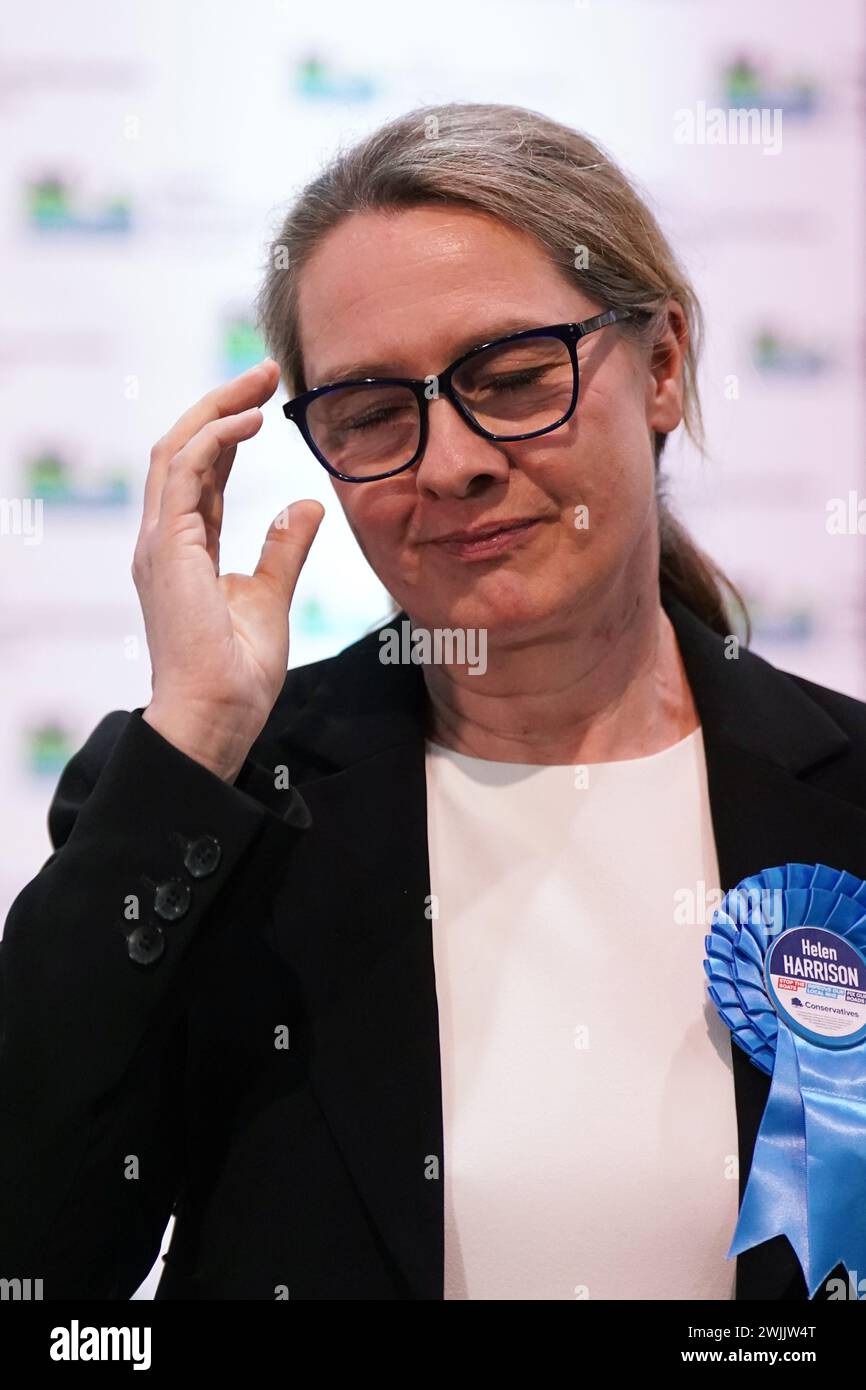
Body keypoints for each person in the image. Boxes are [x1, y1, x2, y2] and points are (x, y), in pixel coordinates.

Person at [3, 100, 866, 1302]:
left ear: (662, 365)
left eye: (513, 380)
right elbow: (34, 1269)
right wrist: (196, 726)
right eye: (369, 416)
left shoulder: (846, 794)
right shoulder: (214, 804)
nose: (449, 461)